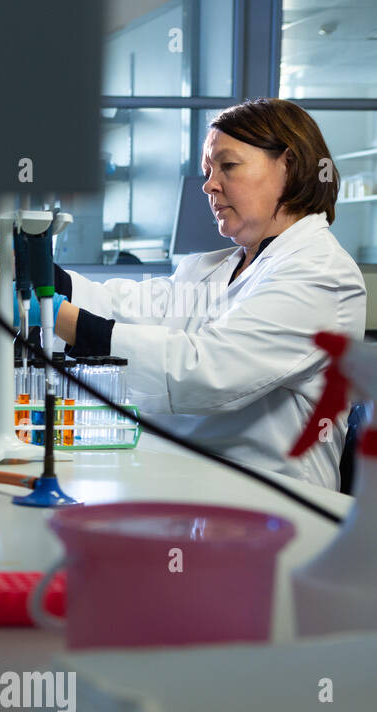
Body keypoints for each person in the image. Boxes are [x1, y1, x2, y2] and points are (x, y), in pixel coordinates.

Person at [47, 98, 366, 489]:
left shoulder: (322, 274)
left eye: (228, 166)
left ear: (289, 165)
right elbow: (132, 305)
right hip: (192, 485)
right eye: (208, 170)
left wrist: (58, 316)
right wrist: (41, 277)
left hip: (275, 506)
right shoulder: (215, 266)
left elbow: (205, 372)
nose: (209, 184)